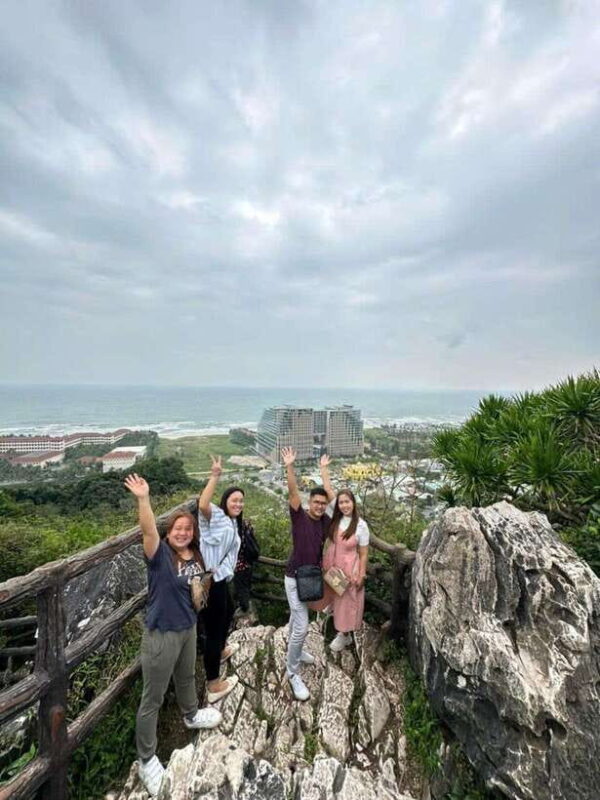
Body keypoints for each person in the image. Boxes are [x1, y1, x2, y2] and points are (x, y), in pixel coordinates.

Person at [124, 473, 222, 798]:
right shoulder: (160, 556)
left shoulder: (193, 557)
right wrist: (143, 499)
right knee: (152, 698)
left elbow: (198, 588)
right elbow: (148, 529)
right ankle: (147, 758)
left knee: (186, 677)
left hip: (188, 627)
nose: (183, 532)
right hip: (161, 633)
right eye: (178, 529)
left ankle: (191, 715)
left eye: (188, 529)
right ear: (169, 533)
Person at [282, 447, 331, 701]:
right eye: (316, 502)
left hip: (310, 579)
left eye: (323, 503)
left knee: (297, 616)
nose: (320, 506)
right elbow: (292, 492)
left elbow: (333, 498)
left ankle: (297, 652)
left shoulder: (324, 521)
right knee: (301, 627)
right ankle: (292, 672)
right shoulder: (299, 517)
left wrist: (324, 471)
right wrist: (290, 466)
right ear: (309, 502)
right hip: (293, 577)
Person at [197, 455, 241, 703]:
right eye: (234, 499)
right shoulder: (214, 517)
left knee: (228, 614)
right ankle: (213, 683)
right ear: (225, 501)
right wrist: (215, 475)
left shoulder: (232, 522)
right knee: (213, 630)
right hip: (212, 583)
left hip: (222, 581)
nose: (239, 503)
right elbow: (203, 503)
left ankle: (221, 649)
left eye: (241, 500)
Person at [320, 459, 370, 652]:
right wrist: (324, 468)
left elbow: (364, 553)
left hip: (349, 569)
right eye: (341, 502)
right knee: (334, 599)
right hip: (333, 566)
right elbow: (328, 488)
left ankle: (344, 635)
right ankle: (339, 629)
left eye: (347, 502)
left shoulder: (361, 526)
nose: (344, 505)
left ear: (353, 503)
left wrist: (361, 573)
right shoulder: (336, 516)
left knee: (346, 603)